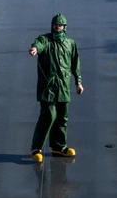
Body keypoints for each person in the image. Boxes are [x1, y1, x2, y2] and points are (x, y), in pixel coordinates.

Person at [29, 13, 83, 163]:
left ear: (64, 27)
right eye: (55, 25)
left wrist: (78, 82)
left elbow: (75, 64)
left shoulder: (70, 43)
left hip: (63, 87)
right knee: (48, 116)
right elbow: (39, 43)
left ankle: (59, 146)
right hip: (48, 87)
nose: (57, 28)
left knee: (62, 118)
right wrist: (35, 48)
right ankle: (36, 148)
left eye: (59, 25)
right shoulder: (46, 40)